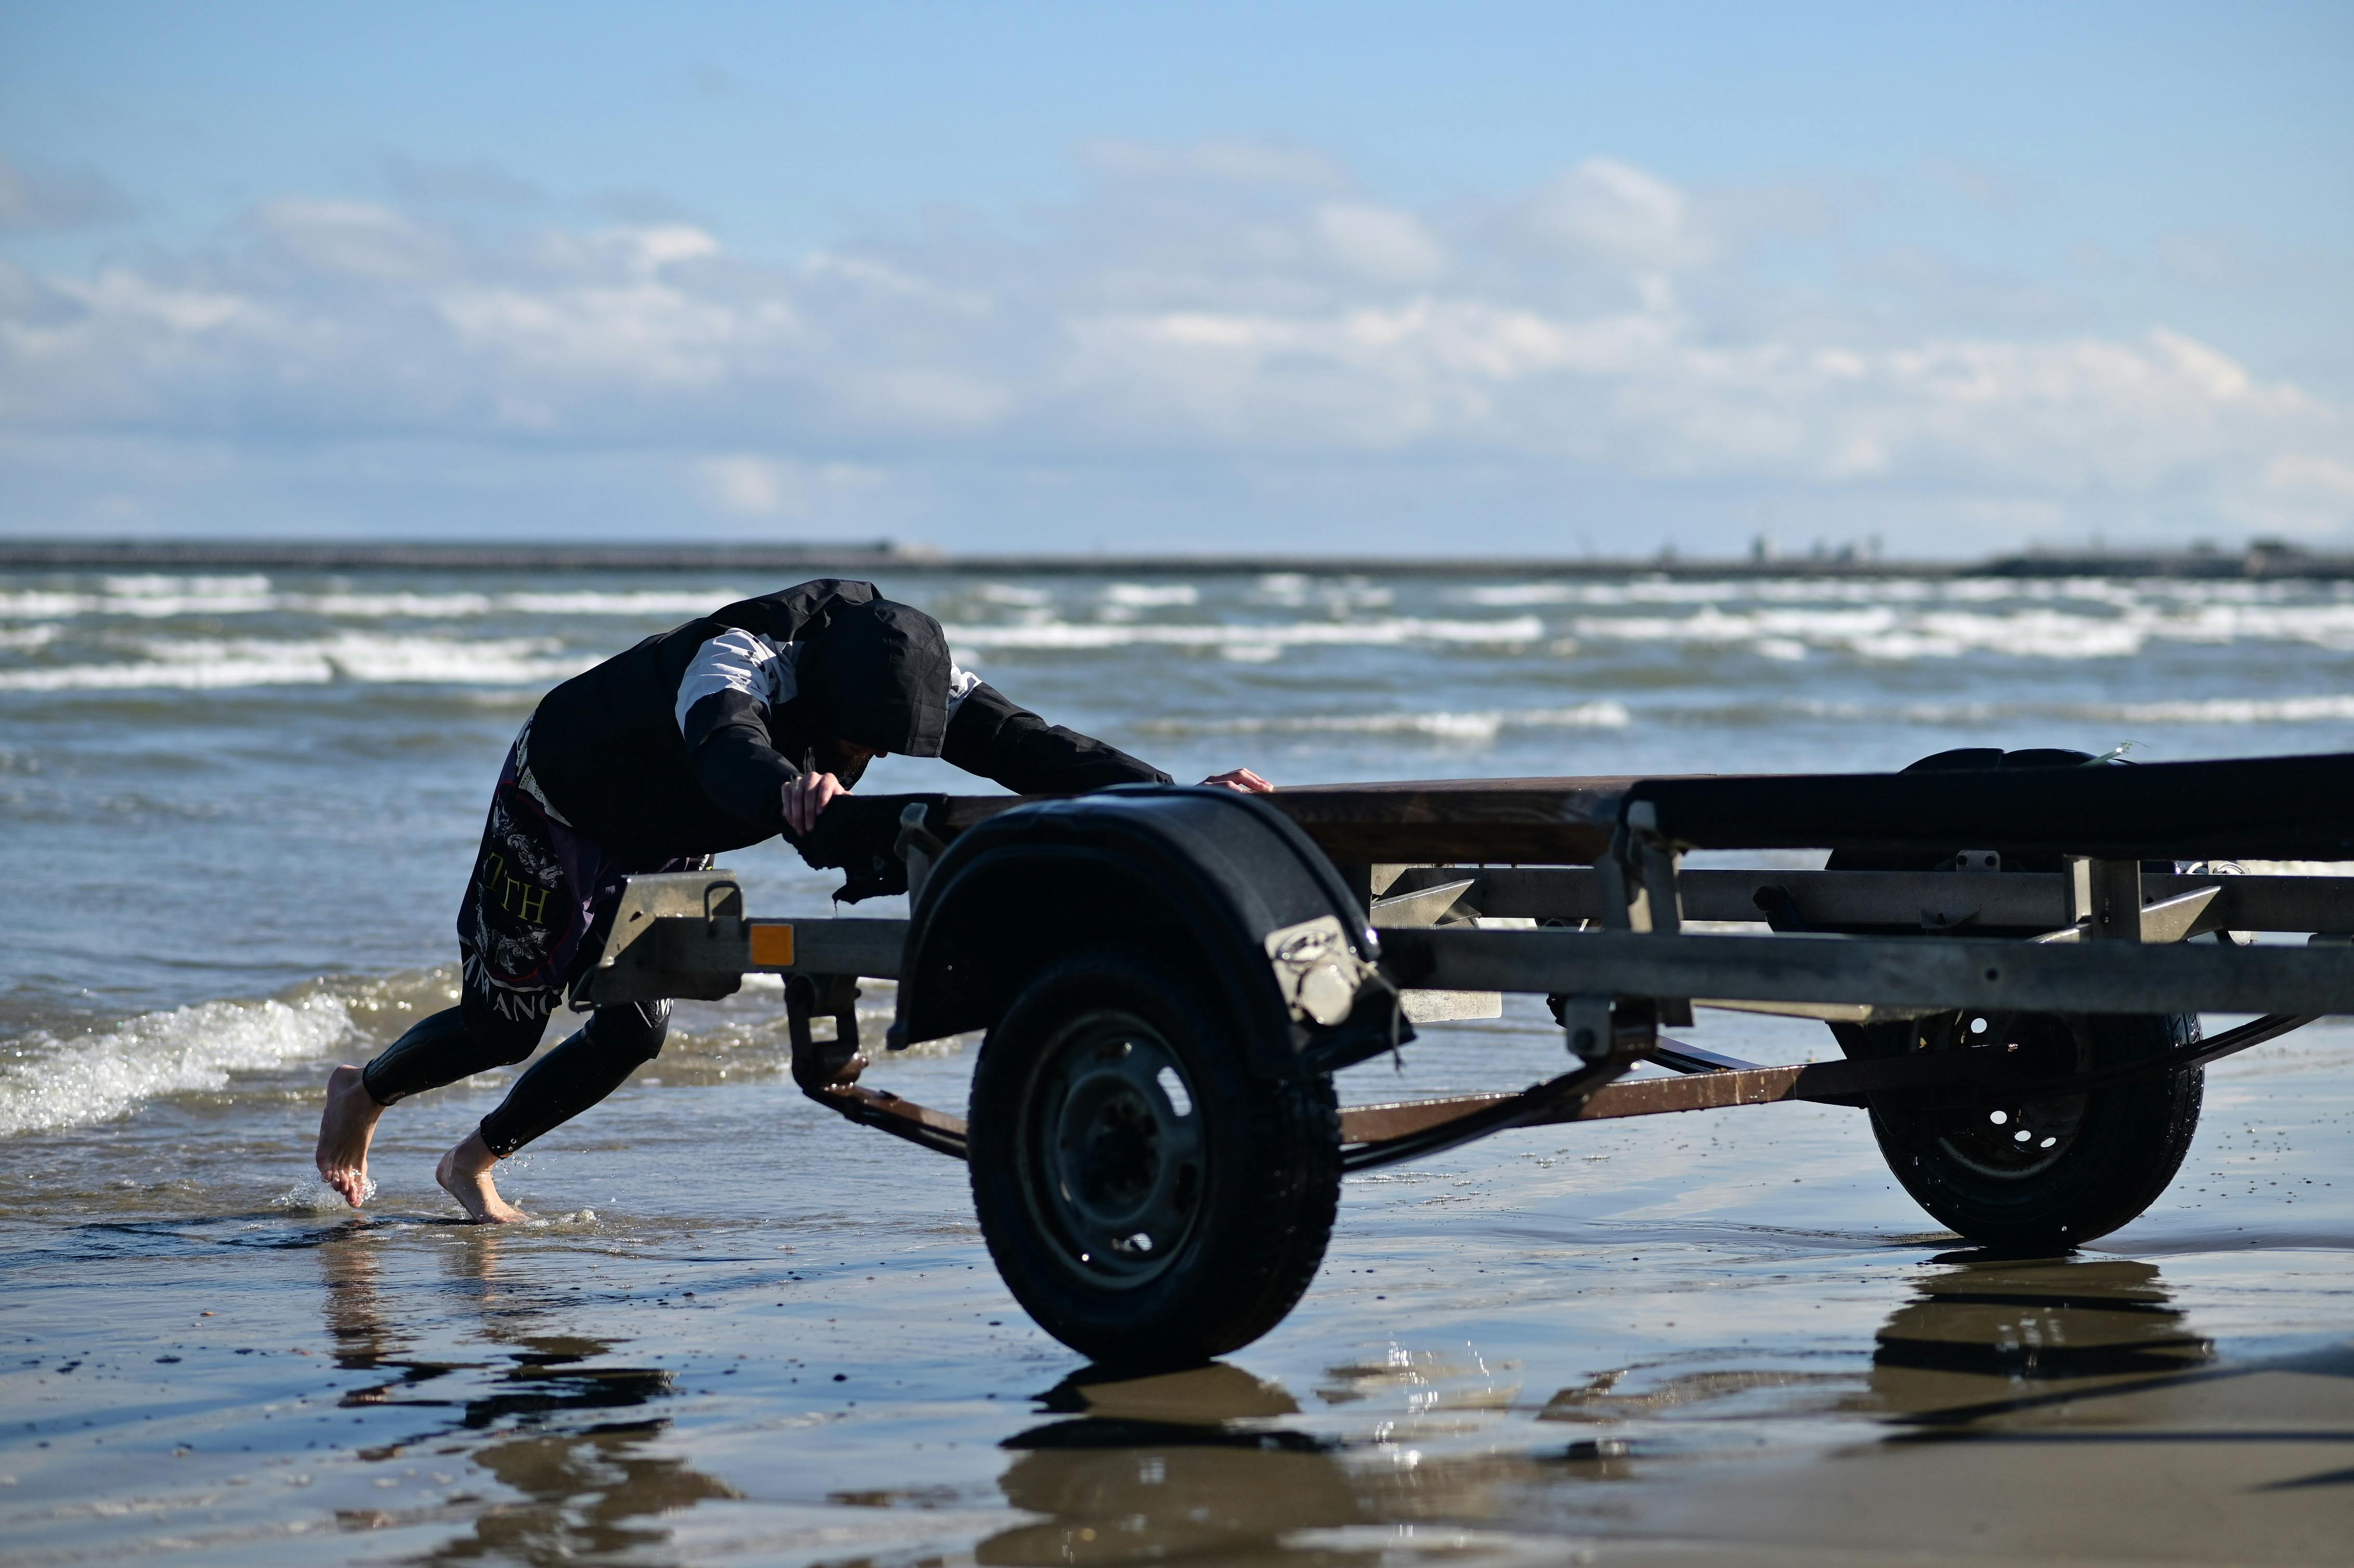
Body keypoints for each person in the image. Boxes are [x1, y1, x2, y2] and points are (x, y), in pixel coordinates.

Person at [315, 579, 1270, 1221]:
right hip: (560, 798)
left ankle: (470, 1163)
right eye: (851, 745)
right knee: (503, 1025)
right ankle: (362, 1092)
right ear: (816, 693)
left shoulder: (908, 667)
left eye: (876, 752)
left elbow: (1033, 747)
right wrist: (783, 785)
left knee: (632, 1033)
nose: (858, 763)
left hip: (668, 831)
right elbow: (726, 739)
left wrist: (1175, 792)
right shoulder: (742, 657)